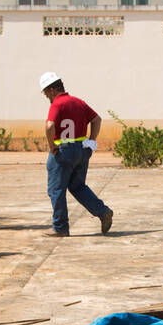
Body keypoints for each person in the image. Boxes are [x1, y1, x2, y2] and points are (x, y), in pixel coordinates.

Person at [40, 71, 113, 238]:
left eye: (46, 94)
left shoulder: (57, 104)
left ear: (51, 90)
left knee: (56, 190)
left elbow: (50, 126)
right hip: (81, 150)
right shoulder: (79, 102)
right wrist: (91, 140)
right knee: (78, 186)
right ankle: (102, 212)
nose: (47, 97)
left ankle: (60, 228)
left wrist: (52, 146)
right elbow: (97, 120)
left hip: (62, 151)